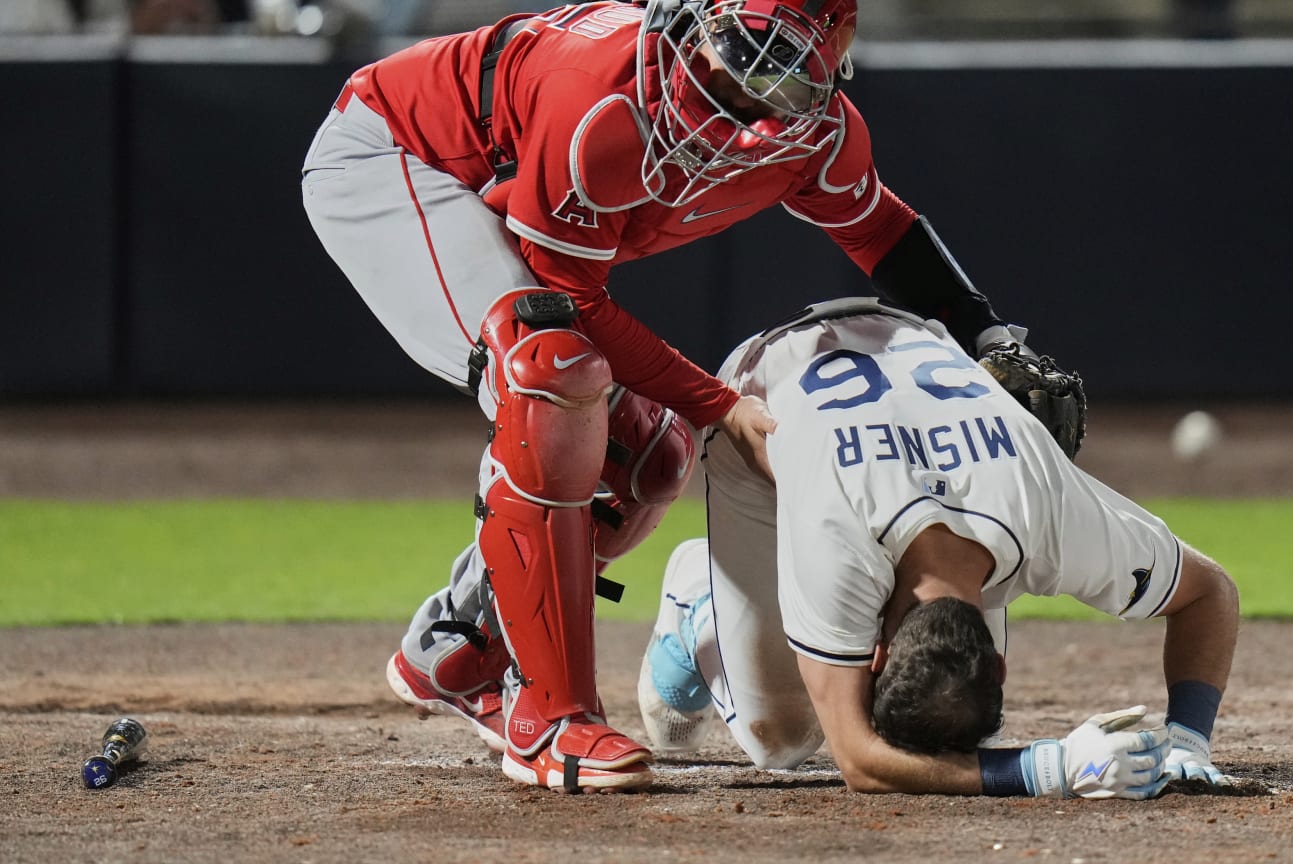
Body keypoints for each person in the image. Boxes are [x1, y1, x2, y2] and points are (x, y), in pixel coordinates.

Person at [301, 0, 1065, 794]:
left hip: (493, 194)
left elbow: (879, 228)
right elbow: (572, 301)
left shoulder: (822, 131)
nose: (731, 92)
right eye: (733, 51)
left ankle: (462, 648)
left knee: (648, 461)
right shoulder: (598, 96)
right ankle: (549, 722)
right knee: (548, 372)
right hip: (395, 156)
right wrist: (719, 403)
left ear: (833, 54)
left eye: (774, 68)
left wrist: (988, 338)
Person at [638, 297, 1240, 797]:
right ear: (874, 652)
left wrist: (1189, 741)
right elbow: (858, 760)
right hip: (764, 392)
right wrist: (1045, 768)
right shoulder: (840, 545)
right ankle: (699, 601)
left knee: (953, 722)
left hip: (902, 346)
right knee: (784, 740)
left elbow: (1210, 592)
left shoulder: (1054, 514)